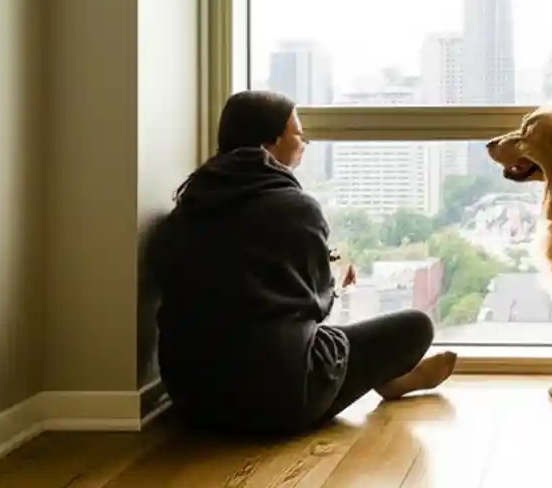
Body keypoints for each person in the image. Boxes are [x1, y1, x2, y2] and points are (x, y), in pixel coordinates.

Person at [148, 90, 457, 434]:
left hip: (193, 402)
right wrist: (335, 276)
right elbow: (317, 308)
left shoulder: (185, 210)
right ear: (274, 141)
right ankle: (388, 378)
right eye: (299, 134)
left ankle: (387, 377)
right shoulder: (297, 208)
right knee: (416, 326)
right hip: (278, 401)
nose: (305, 142)